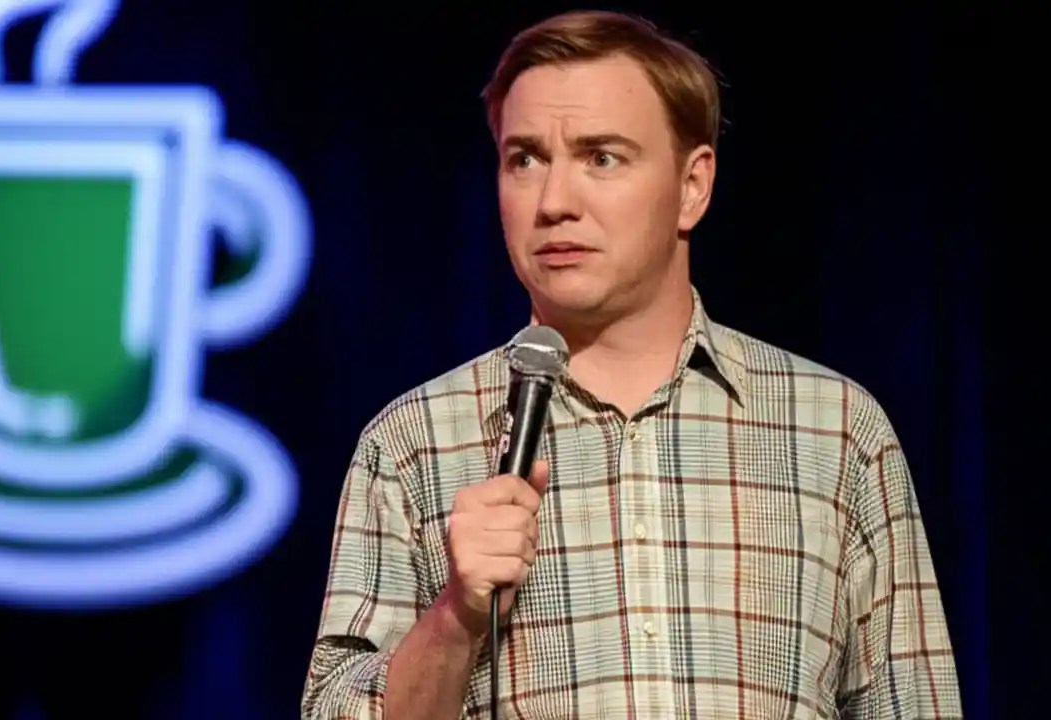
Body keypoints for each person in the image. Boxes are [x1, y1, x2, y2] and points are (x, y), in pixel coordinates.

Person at [301, 9, 962, 719]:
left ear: (692, 186)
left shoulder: (833, 431)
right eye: (524, 159)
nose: (554, 202)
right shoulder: (414, 444)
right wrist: (456, 615)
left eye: (601, 157)